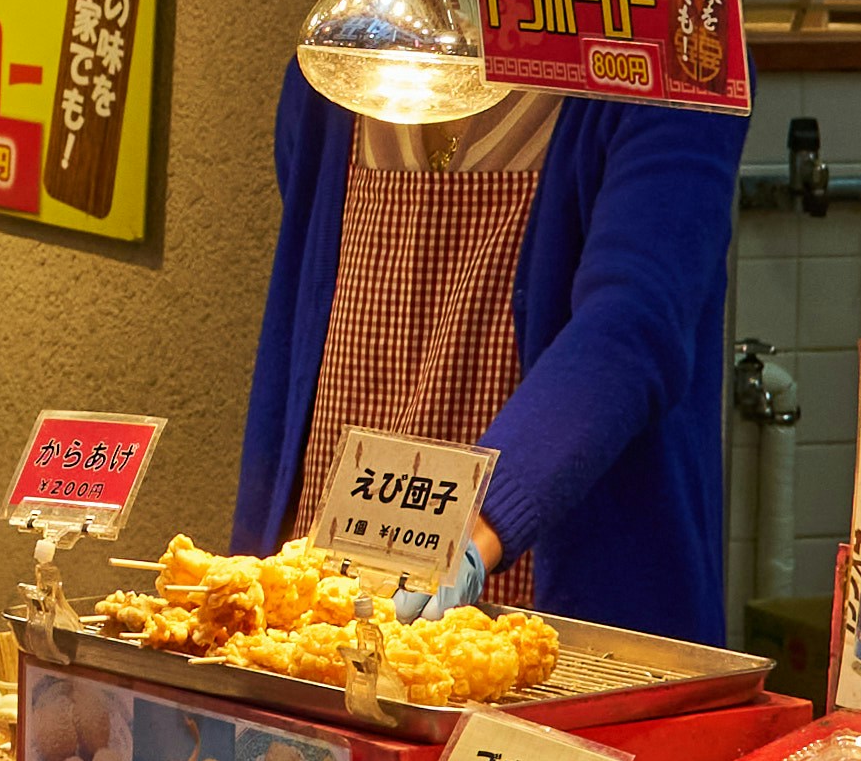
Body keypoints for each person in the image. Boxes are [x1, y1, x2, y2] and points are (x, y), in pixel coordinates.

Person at [233, 55, 753, 641]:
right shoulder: (342, 63)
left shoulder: (677, 60)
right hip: (328, 595)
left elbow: (635, 323)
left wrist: (472, 524)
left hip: (546, 609)